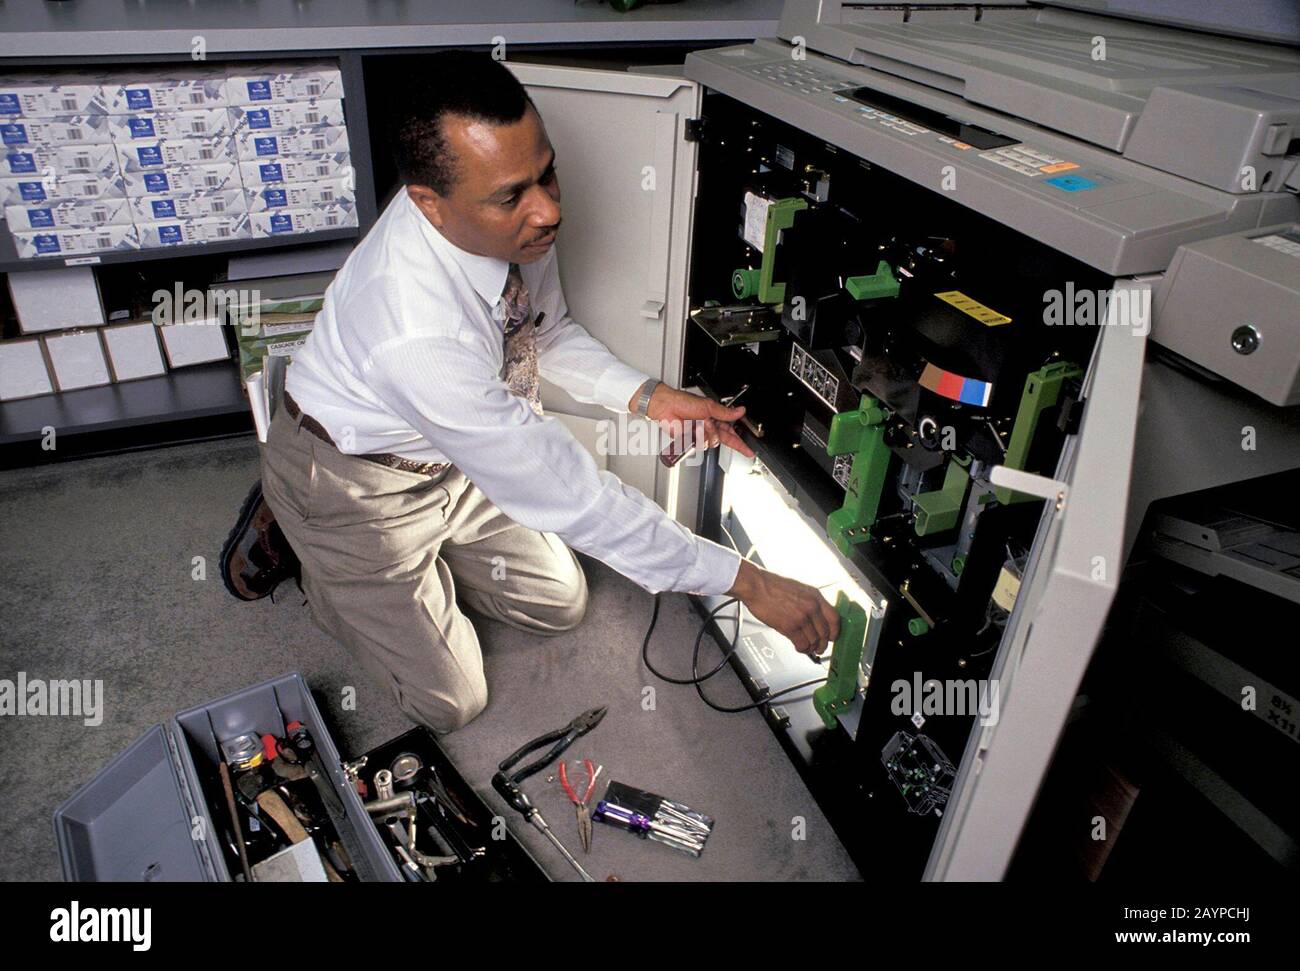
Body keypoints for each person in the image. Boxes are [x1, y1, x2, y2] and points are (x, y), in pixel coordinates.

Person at [233, 51, 839, 733]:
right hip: (356, 488)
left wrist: (651, 397)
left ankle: (413, 566)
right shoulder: (413, 332)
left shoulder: (507, 226)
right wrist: (749, 582)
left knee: (561, 601)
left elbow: (540, 333)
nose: (548, 209)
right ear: (427, 204)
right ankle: (311, 547)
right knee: (451, 701)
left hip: (452, 462)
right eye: (512, 195)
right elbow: (572, 495)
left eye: (546, 173)